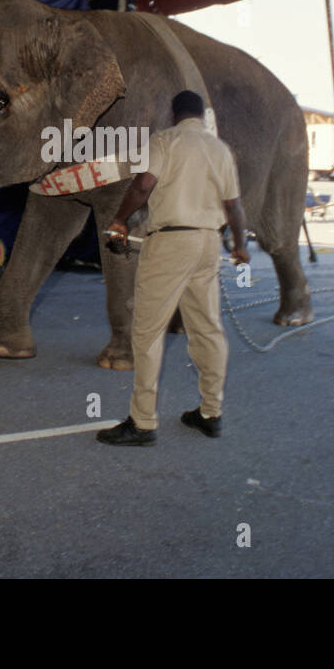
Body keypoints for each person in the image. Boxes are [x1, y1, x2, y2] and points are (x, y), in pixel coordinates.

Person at [98, 90, 248, 446]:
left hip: (170, 241)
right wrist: (240, 246)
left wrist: (120, 218)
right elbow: (235, 206)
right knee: (207, 328)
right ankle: (210, 413)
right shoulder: (220, 149)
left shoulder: (165, 140)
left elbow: (143, 185)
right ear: (201, 115)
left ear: (174, 113)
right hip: (208, 243)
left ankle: (143, 422)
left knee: (148, 332)